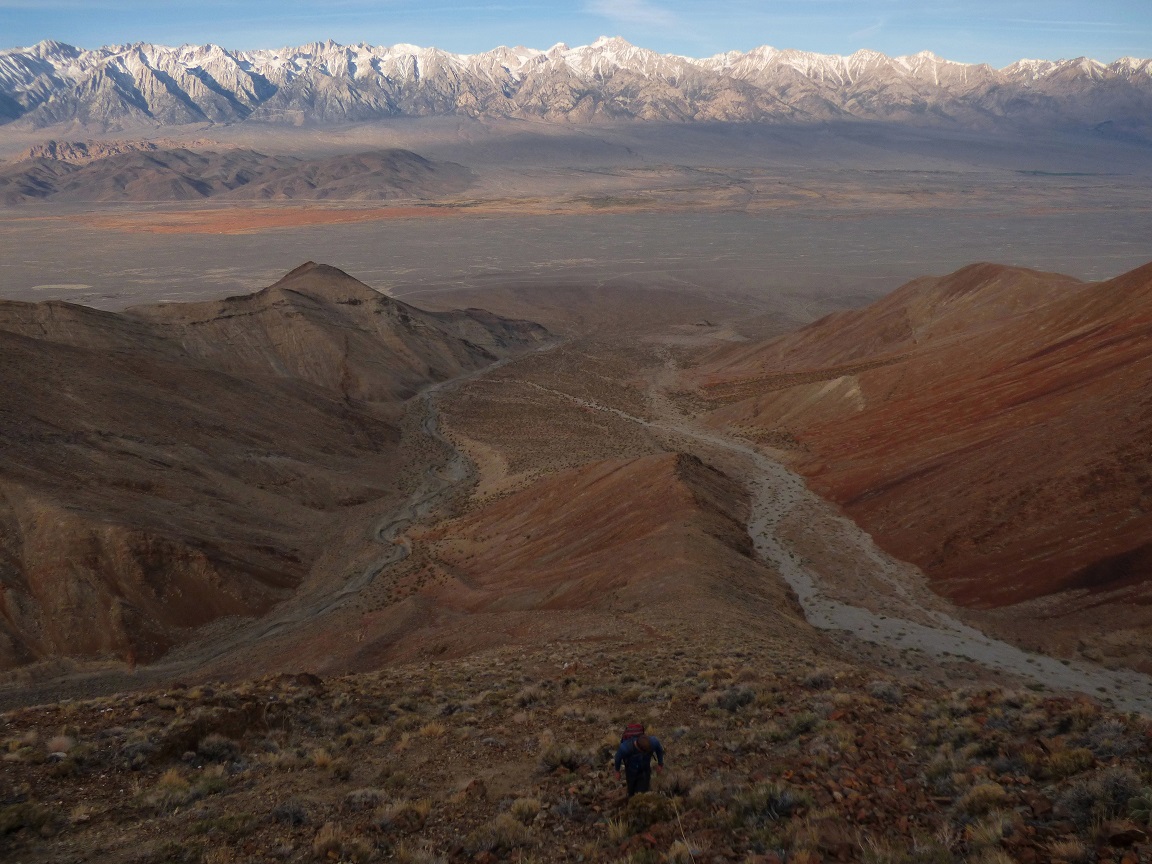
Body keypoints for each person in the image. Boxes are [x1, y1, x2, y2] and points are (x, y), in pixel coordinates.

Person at [614, 723, 665, 797]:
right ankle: (631, 797)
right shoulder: (625, 748)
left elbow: (660, 751)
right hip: (631, 769)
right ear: (638, 748)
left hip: (645, 768)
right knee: (631, 787)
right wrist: (617, 771)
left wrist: (660, 764)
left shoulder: (653, 742)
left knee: (642, 790)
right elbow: (617, 758)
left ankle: (639, 799)